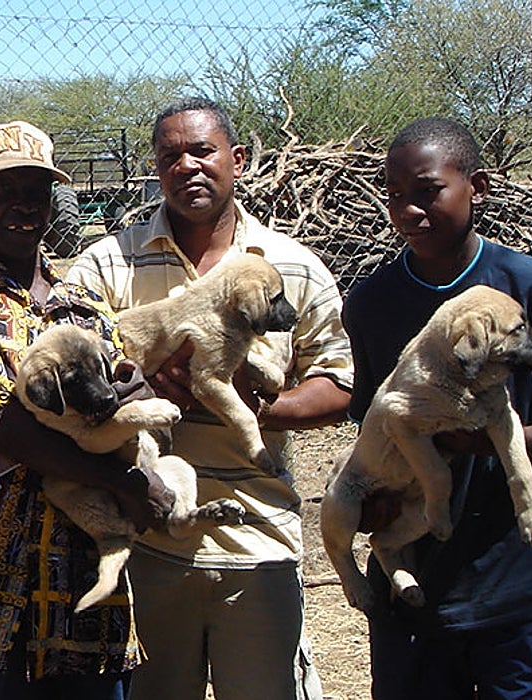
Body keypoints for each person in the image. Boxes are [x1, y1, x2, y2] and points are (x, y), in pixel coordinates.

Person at [66, 97, 353, 700]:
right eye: (170, 156)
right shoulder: (106, 265)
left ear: (237, 160)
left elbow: (338, 386)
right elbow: (70, 371)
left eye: (202, 151)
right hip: (147, 538)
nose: (187, 167)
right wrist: (144, 389)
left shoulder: (292, 268)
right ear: (155, 168)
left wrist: (256, 405)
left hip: (260, 539)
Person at [0, 119, 175, 700]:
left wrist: (132, 408)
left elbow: (129, 395)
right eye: (4, 190)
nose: (24, 205)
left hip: (86, 564)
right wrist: (124, 481)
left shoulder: (83, 301)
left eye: (36, 190)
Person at [345, 116, 532, 699]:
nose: (408, 210)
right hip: (416, 587)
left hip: (518, 581)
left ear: (477, 187)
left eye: (427, 191)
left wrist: (490, 437)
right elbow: (375, 425)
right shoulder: (372, 304)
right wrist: (371, 505)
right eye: (395, 195)